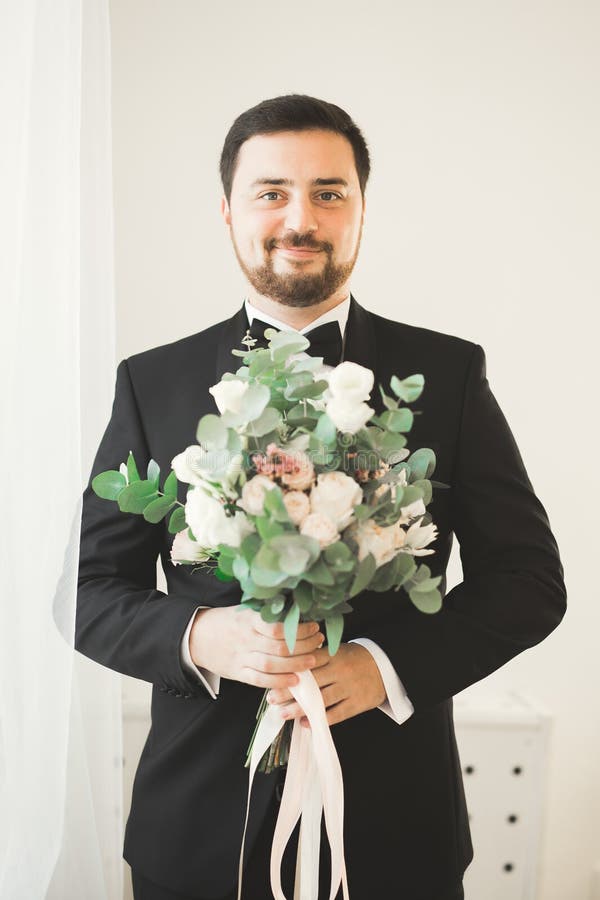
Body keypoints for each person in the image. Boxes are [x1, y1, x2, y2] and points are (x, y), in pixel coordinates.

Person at [75, 94, 567, 900]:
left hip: (397, 832)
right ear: (228, 211)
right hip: (195, 829)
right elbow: (92, 593)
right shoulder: (150, 383)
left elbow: (529, 580)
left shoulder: (448, 376)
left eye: (328, 192)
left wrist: (385, 667)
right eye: (271, 191)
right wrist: (203, 635)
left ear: (361, 211)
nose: (299, 217)